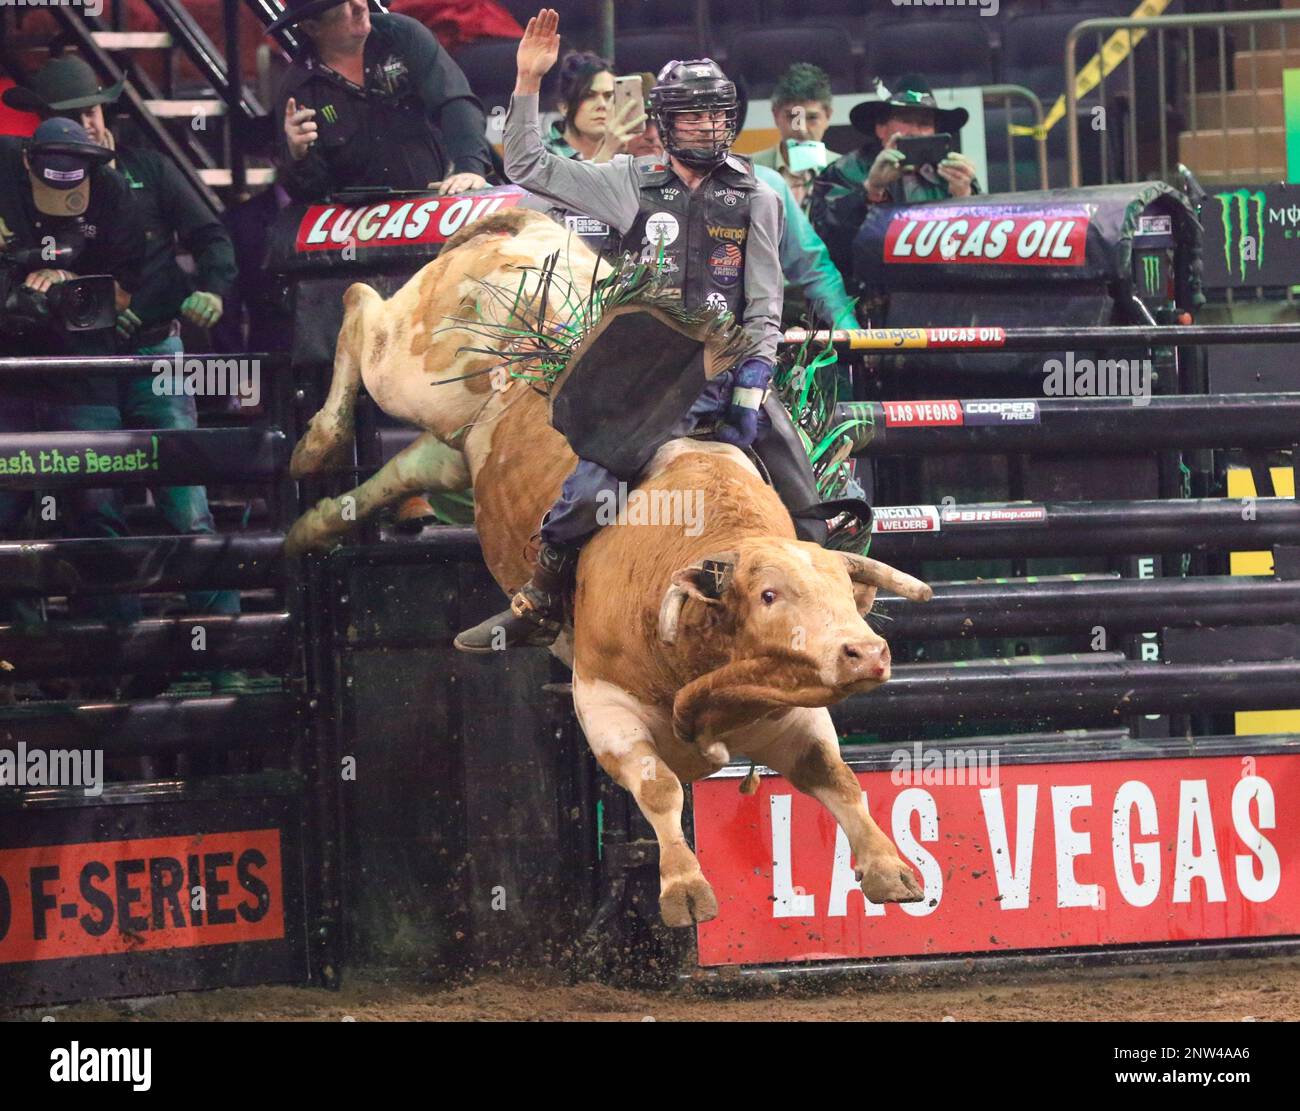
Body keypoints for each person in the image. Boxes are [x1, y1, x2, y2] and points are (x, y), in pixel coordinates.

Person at [456, 9, 841, 653]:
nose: (706, 127)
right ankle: (540, 601)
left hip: (729, 370)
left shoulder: (759, 196)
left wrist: (749, 391)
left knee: (809, 502)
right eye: (691, 116)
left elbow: (765, 305)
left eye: (716, 115)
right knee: (587, 494)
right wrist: (528, 81)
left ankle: (834, 610)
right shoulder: (627, 184)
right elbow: (526, 164)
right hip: (647, 379)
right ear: (664, 123)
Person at [0, 117, 145, 646]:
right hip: (9, 374)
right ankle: (22, 655)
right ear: (26, 163)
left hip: (83, 372)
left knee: (98, 513)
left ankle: (121, 650)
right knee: (3, 515)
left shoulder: (111, 191)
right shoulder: (2, 169)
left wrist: (70, 284)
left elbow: (126, 292)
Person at [273, 0, 494, 201]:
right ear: (312, 27)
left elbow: (455, 101)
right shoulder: (299, 89)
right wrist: (298, 156)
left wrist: (469, 168)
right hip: (360, 222)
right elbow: (311, 196)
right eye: (342, 5)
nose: (359, 5)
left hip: (436, 203)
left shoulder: (402, 35)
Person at [811, 74, 979, 287]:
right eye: (906, 120)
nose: (915, 132)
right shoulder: (846, 170)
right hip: (866, 295)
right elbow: (826, 241)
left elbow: (976, 248)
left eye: (925, 124)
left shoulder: (955, 174)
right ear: (881, 128)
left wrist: (964, 198)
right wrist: (871, 190)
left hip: (938, 290)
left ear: (935, 131)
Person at [751, 63, 834, 212]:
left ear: (827, 116)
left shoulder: (847, 173)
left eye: (812, 118)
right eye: (792, 117)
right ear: (776, 116)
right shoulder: (749, 171)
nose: (801, 129)